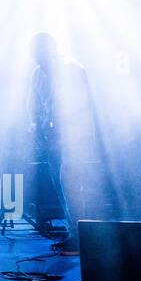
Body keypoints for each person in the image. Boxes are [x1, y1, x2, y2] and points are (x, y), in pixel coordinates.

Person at [27, 32, 96, 253]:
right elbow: (33, 104)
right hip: (53, 138)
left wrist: (59, 127)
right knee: (61, 183)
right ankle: (74, 232)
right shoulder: (38, 73)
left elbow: (80, 106)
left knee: (71, 181)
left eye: (38, 53)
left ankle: (81, 235)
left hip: (76, 137)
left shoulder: (71, 68)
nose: (35, 58)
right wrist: (37, 128)